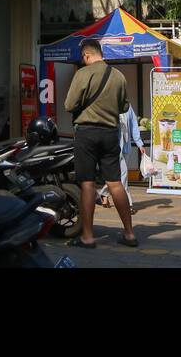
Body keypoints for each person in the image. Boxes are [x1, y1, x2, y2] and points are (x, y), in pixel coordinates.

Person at [62, 38, 137, 249]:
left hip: (86, 133)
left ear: (86, 55)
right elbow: (124, 108)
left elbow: (69, 104)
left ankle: (88, 237)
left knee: (87, 184)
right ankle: (129, 234)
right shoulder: (119, 76)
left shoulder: (82, 74)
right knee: (115, 183)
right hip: (110, 134)